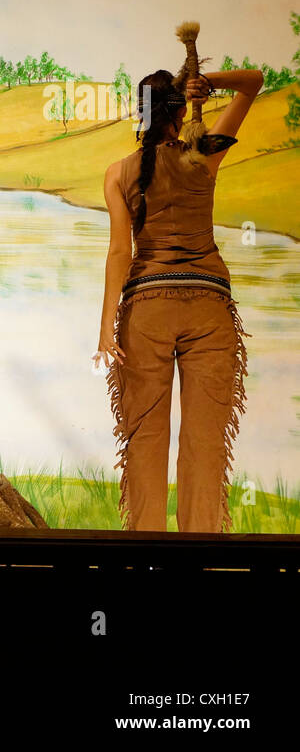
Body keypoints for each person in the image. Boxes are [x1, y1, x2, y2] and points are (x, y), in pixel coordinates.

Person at [95, 67, 262, 533]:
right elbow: (254, 82)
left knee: (144, 439)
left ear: (140, 115)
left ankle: (145, 564)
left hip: (145, 311)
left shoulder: (117, 174)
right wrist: (207, 80)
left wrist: (107, 330)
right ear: (178, 112)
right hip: (209, 308)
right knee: (204, 444)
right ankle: (198, 568)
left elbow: (118, 254)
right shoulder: (204, 155)